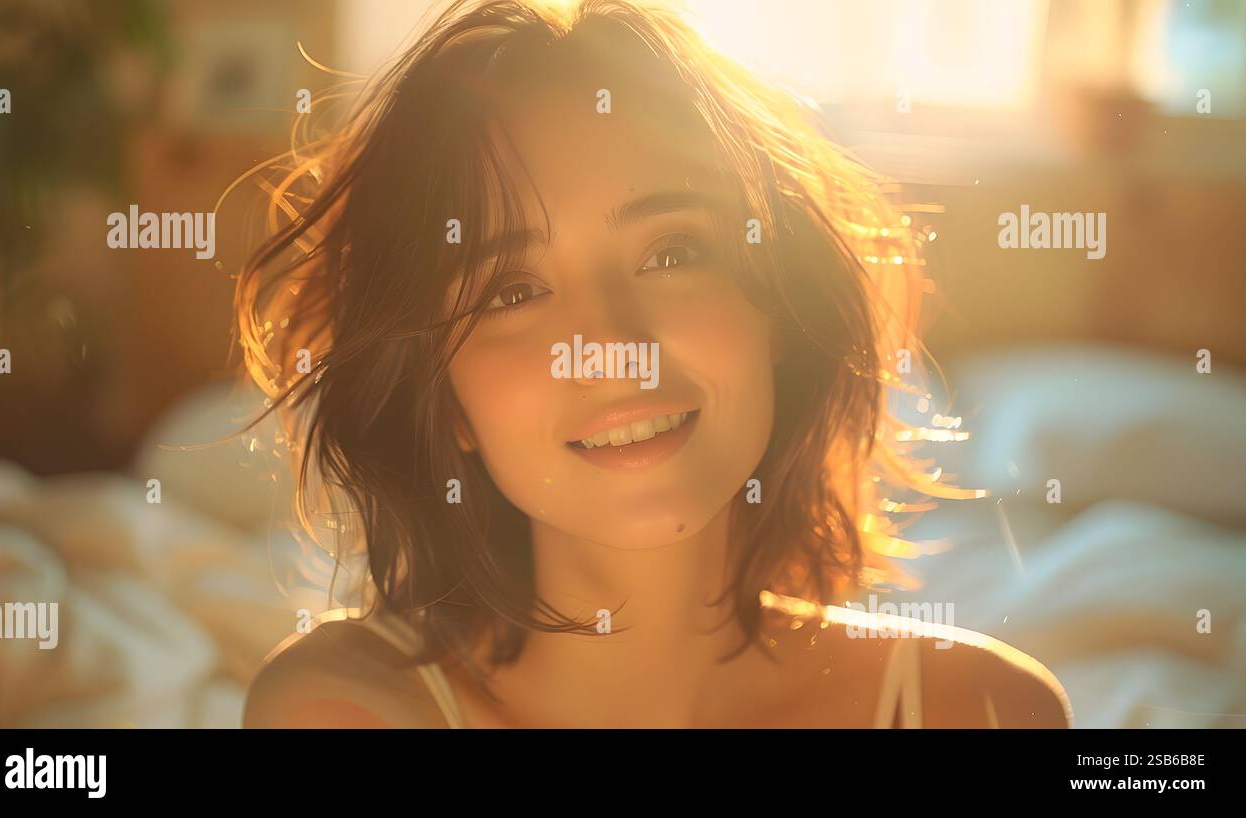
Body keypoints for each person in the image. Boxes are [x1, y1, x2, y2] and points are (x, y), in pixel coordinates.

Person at [237, 0, 1071, 728]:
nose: (611, 346)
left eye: (672, 253)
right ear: (442, 396)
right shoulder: (341, 713)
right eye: (511, 292)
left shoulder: (989, 711)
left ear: (775, 305)